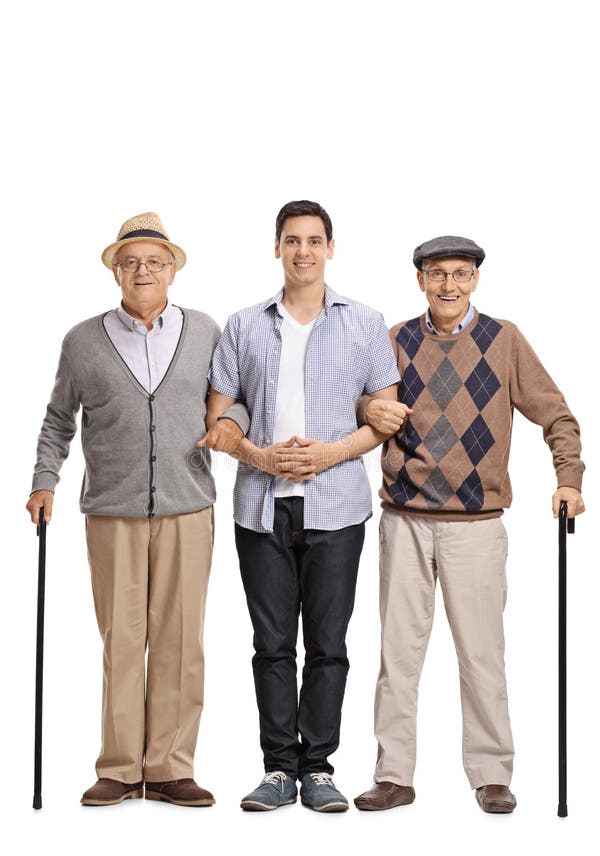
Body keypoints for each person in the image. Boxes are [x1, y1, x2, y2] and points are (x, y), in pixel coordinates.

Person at [354, 235, 585, 814]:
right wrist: (365, 410)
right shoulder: (396, 340)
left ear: (475, 280)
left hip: (477, 523)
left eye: (460, 274)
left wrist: (569, 479)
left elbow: (556, 414)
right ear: (420, 281)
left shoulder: (504, 340)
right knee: (398, 654)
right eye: (437, 274)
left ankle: (491, 774)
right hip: (405, 519)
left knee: (482, 653)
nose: (448, 285)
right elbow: (362, 405)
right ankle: (394, 774)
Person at [26, 212, 249, 806]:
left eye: (155, 261)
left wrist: (228, 423)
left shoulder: (206, 331)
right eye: (131, 262)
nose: (143, 270)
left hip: (187, 505)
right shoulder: (82, 340)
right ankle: (121, 768)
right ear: (115, 272)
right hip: (112, 510)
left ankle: (172, 766)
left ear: (172, 269)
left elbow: (237, 401)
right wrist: (45, 481)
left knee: (180, 639)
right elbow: (56, 422)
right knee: (122, 639)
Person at [204, 200, 404, 812]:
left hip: (337, 507)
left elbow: (385, 416)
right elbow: (219, 416)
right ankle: (277, 769)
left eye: (314, 241)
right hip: (260, 510)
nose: (303, 252)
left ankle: (317, 767)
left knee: (328, 645)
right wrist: (265, 458)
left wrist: (328, 454)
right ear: (276, 248)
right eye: (292, 240)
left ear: (330, 248)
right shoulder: (242, 325)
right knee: (271, 645)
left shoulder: (364, 323)